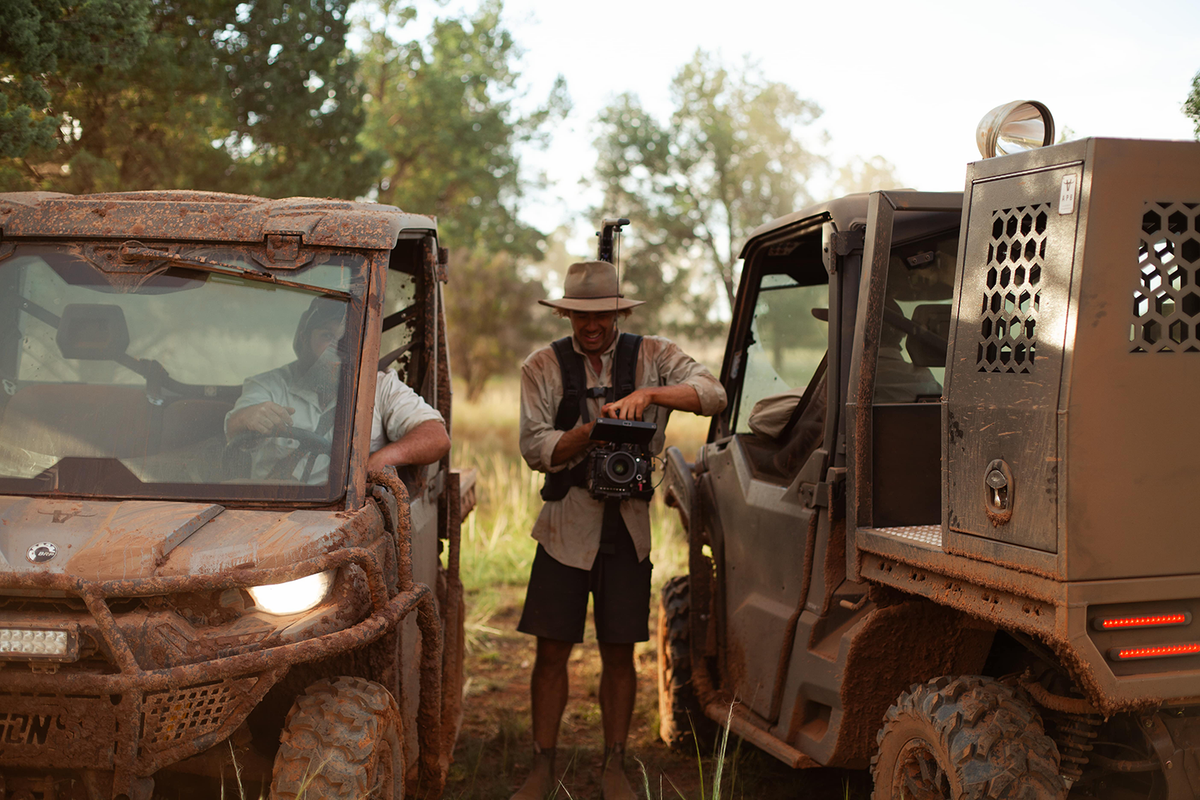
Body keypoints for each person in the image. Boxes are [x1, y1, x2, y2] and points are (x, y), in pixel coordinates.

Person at [513, 261, 726, 800]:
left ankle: (615, 765)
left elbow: (713, 393)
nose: (590, 325)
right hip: (565, 528)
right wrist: (592, 433)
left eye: (601, 315)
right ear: (565, 313)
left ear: (619, 312)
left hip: (628, 529)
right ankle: (542, 767)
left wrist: (650, 397)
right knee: (552, 649)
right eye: (579, 315)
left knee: (619, 650)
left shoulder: (653, 355)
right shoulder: (542, 366)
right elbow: (535, 448)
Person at [226, 295, 450, 482]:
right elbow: (234, 427)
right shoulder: (270, 385)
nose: (336, 349)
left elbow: (437, 437)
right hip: (269, 508)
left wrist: (377, 462)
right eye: (327, 336)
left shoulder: (379, 386)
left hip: (347, 514)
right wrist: (248, 417)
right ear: (304, 338)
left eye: (345, 340)